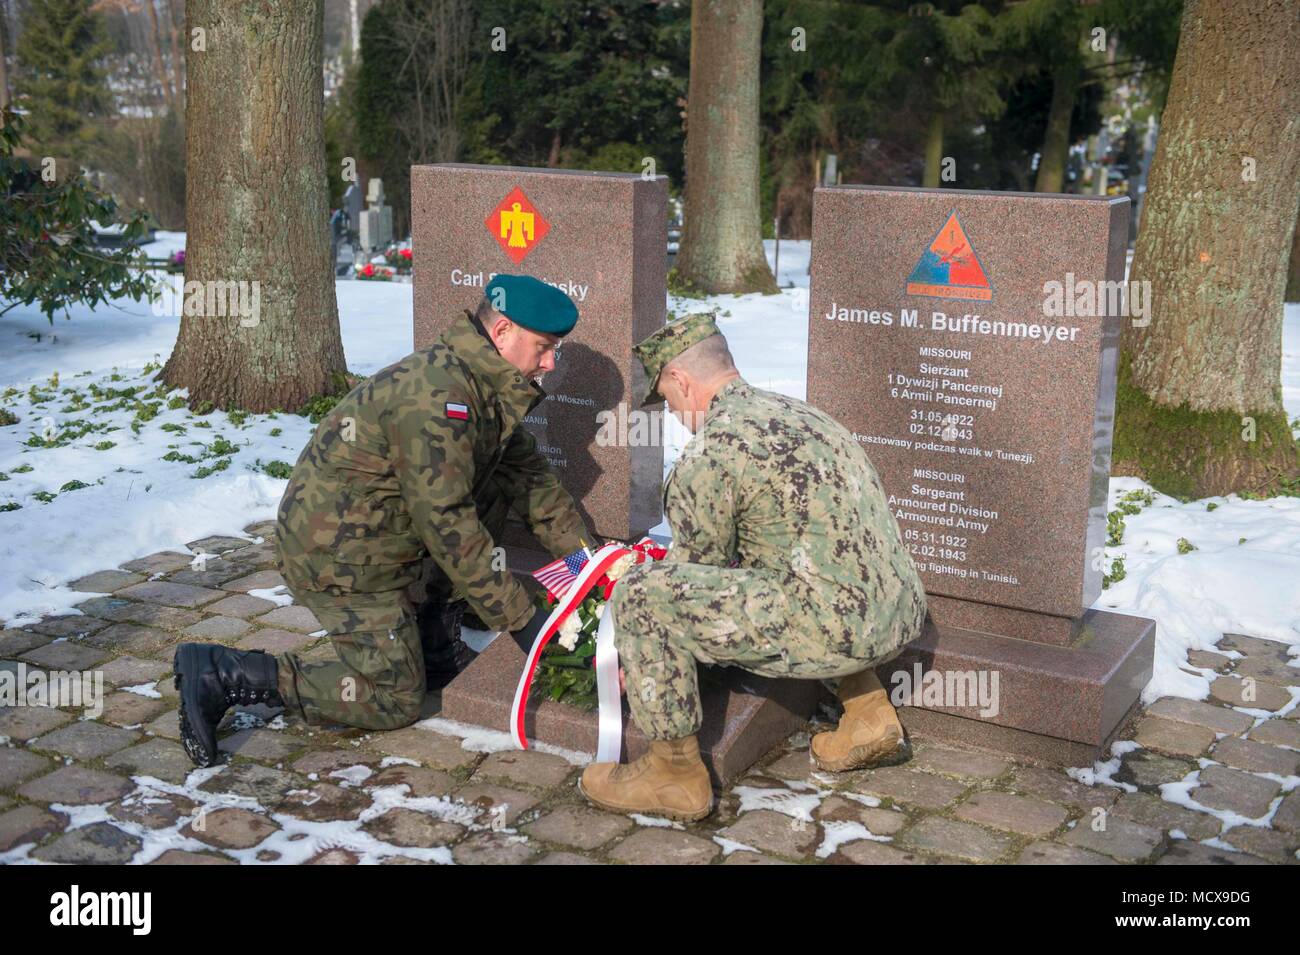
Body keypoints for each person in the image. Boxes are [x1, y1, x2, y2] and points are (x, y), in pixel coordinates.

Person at [174, 274, 591, 768]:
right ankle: (226, 673)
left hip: (390, 541)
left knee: (499, 483)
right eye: (544, 348)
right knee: (395, 697)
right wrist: (524, 622)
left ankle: (433, 633)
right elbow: (447, 523)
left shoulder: (482, 384)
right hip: (342, 559)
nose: (550, 364)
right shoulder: (439, 397)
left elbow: (532, 481)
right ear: (501, 333)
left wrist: (589, 566)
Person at [579, 311, 928, 820]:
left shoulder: (714, 450)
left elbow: (693, 576)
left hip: (833, 630)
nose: (675, 415)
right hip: (897, 614)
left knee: (642, 595)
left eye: (669, 401)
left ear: (680, 379)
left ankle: (673, 776)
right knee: (810, 569)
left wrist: (640, 654)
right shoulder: (806, 415)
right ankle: (870, 712)